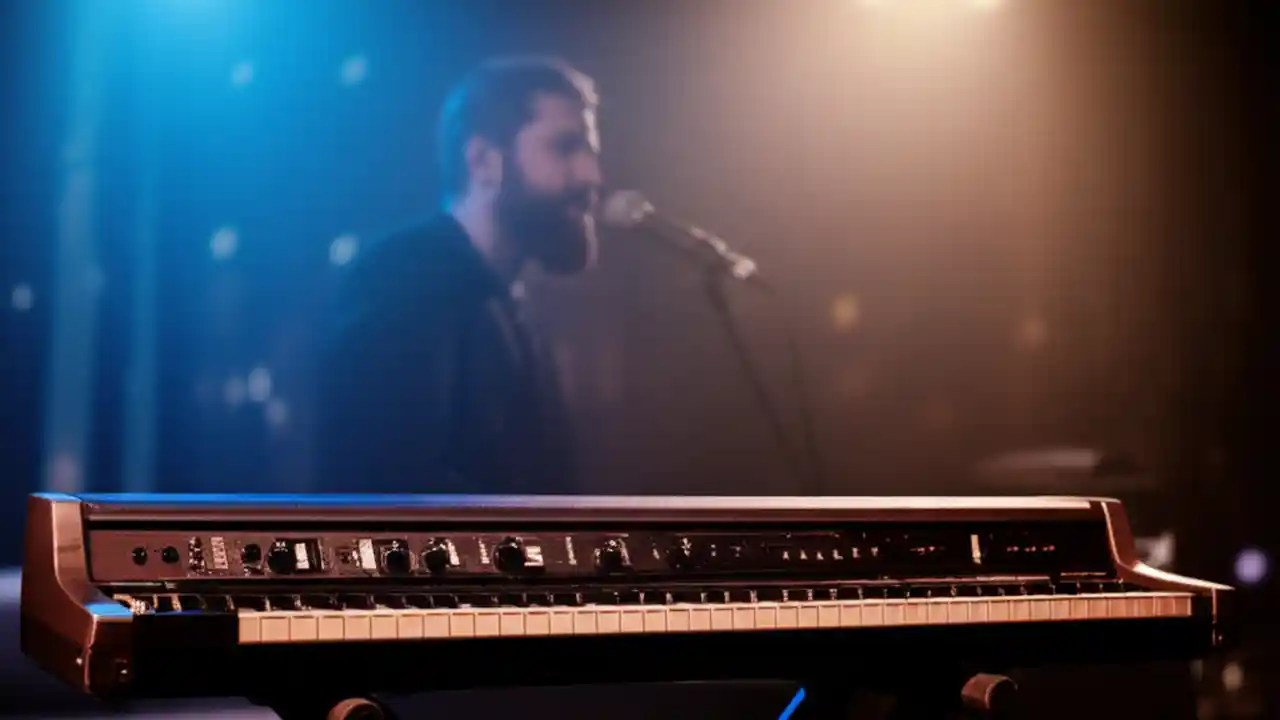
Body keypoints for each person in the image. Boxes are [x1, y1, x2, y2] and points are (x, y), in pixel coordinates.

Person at [314, 57, 603, 494]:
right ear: (484, 161)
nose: (592, 176)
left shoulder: (509, 302)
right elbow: (388, 486)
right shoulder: (403, 280)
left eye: (591, 153)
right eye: (565, 147)